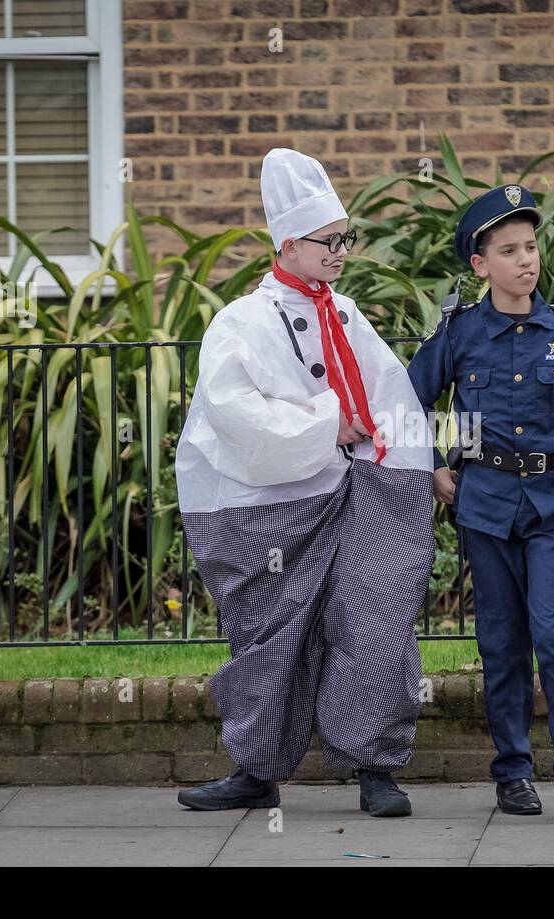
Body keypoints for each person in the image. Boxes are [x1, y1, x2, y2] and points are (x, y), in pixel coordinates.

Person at [173, 148, 435, 817]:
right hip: (274, 506)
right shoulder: (240, 324)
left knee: (375, 619)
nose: (343, 251)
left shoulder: (346, 315)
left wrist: (414, 465)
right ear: (289, 243)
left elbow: (391, 396)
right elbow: (235, 415)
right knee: (268, 637)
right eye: (332, 240)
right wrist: (330, 427)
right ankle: (256, 770)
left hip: (361, 496)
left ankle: (376, 768)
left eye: (346, 238)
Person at [407, 183, 554, 821]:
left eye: (531, 247)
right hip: (486, 504)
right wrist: (430, 469)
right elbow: (405, 400)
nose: (526, 260)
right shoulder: (460, 333)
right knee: (501, 645)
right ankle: (512, 772)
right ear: (480, 265)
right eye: (509, 250)